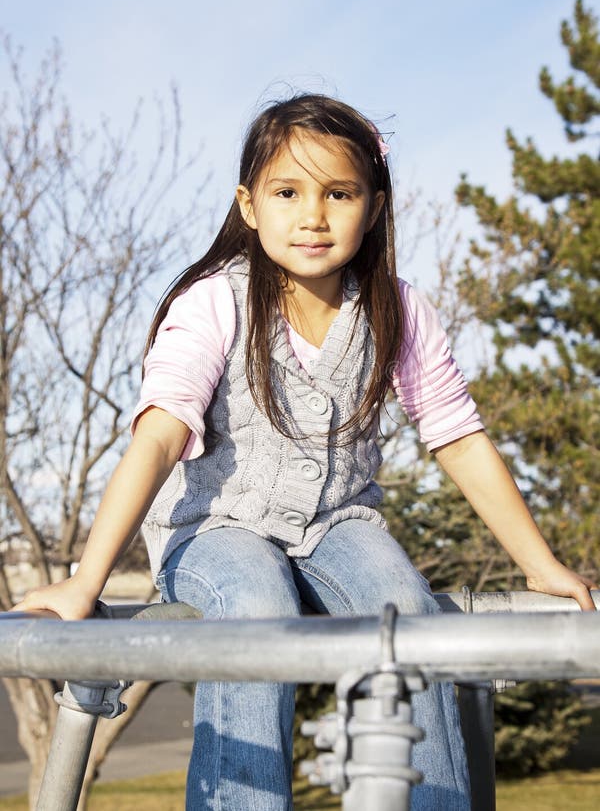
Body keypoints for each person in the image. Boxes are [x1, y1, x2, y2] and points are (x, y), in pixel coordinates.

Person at [14, 94, 596, 810]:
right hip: (215, 525)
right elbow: (161, 431)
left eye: (339, 193)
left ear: (374, 207)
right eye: (287, 191)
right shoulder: (216, 303)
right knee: (255, 606)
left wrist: (541, 565)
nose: (312, 215)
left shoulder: (399, 311)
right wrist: (85, 579)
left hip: (338, 524)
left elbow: (458, 436)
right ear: (249, 205)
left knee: (410, 614)